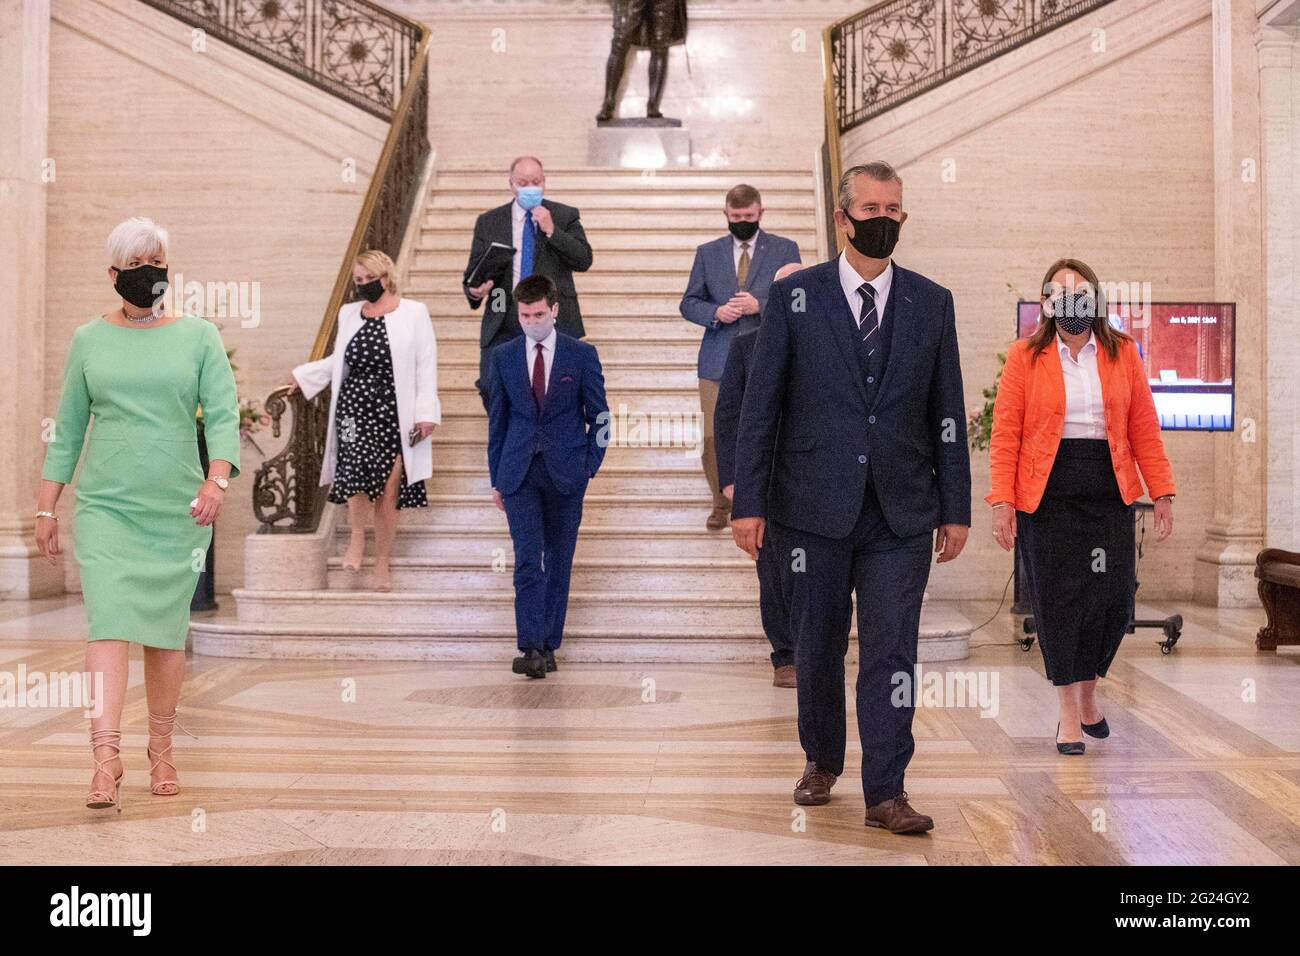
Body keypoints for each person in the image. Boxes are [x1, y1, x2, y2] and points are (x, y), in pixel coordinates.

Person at [731, 162, 971, 835]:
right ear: (841, 218)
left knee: (894, 649)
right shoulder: (795, 296)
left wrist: (957, 507)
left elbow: (945, 410)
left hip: (901, 513)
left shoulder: (932, 301)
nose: (883, 219)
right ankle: (821, 758)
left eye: (894, 209)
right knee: (817, 643)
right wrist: (748, 501)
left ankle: (887, 790)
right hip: (809, 509)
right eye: (871, 207)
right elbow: (761, 409)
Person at [34, 216, 242, 810]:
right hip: (105, 507)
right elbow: (68, 429)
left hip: (175, 507)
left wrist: (218, 480)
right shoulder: (87, 341)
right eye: (137, 265)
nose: (149, 273)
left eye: (157, 261)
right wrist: (47, 508)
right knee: (107, 625)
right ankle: (104, 757)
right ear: (113, 275)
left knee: (164, 634)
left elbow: (223, 415)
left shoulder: (198, 336)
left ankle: (161, 749)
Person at [987, 258, 1175, 755]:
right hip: (1046, 496)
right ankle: (1069, 716)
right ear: (1048, 301)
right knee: (1059, 603)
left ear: (1096, 298)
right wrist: (1002, 500)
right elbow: (1005, 433)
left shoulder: (1122, 353)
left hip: (1109, 490)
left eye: (1081, 291)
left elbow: (1144, 428)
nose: (1072, 301)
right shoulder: (1025, 356)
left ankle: (1090, 695)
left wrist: (1163, 491)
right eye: (1062, 292)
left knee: (1114, 600)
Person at [289, 250, 441, 592]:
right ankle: (356, 539)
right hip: (353, 408)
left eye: (367, 280)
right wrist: (302, 376)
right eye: (357, 281)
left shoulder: (414, 313)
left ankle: (382, 563)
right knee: (355, 475)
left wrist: (426, 414)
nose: (362, 286)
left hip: (393, 409)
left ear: (385, 277)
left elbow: (425, 365)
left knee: (389, 489)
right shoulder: (348, 314)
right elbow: (337, 361)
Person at [486, 275, 609, 678]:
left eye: (539, 313)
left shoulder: (581, 355)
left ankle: (549, 642)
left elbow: (602, 418)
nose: (532, 321)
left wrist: (590, 464)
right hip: (518, 471)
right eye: (525, 315)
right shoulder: (503, 357)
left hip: (567, 472)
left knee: (559, 559)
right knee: (526, 560)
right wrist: (496, 478)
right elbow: (498, 423)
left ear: (554, 310)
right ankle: (532, 645)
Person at [680, 184, 801, 530]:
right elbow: (688, 302)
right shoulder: (707, 252)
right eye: (736, 217)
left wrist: (759, 306)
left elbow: (800, 298)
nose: (742, 222)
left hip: (770, 353)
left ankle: (767, 500)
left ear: (761, 213)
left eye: (748, 217)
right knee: (712, 435)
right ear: (726, 216)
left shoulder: (784, 248)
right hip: (718, 355)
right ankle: (722, 503)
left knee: (770, 429)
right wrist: (717, 312)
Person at [715, 262, 805, 687]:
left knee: (815, 573)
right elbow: (729, 416)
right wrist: (733, 480)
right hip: (765, 481)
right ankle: (785, 655)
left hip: (816, 482)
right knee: (773, 573)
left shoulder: (833, 343)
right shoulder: (747, 346)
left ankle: (817, 650)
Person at [463, 156, 592, 410]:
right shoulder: (490, 221)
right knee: (491, 386)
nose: (530, 187)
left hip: (551, 316)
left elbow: (583, 259)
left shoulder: (565, 216)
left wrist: (552, 230)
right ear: (511, 184)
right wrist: (476, 290)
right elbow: (472, 275)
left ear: (544, 182)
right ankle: (509, 442)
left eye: (535, 181)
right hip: (503, 307)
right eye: (523, 182)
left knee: (556, 394)